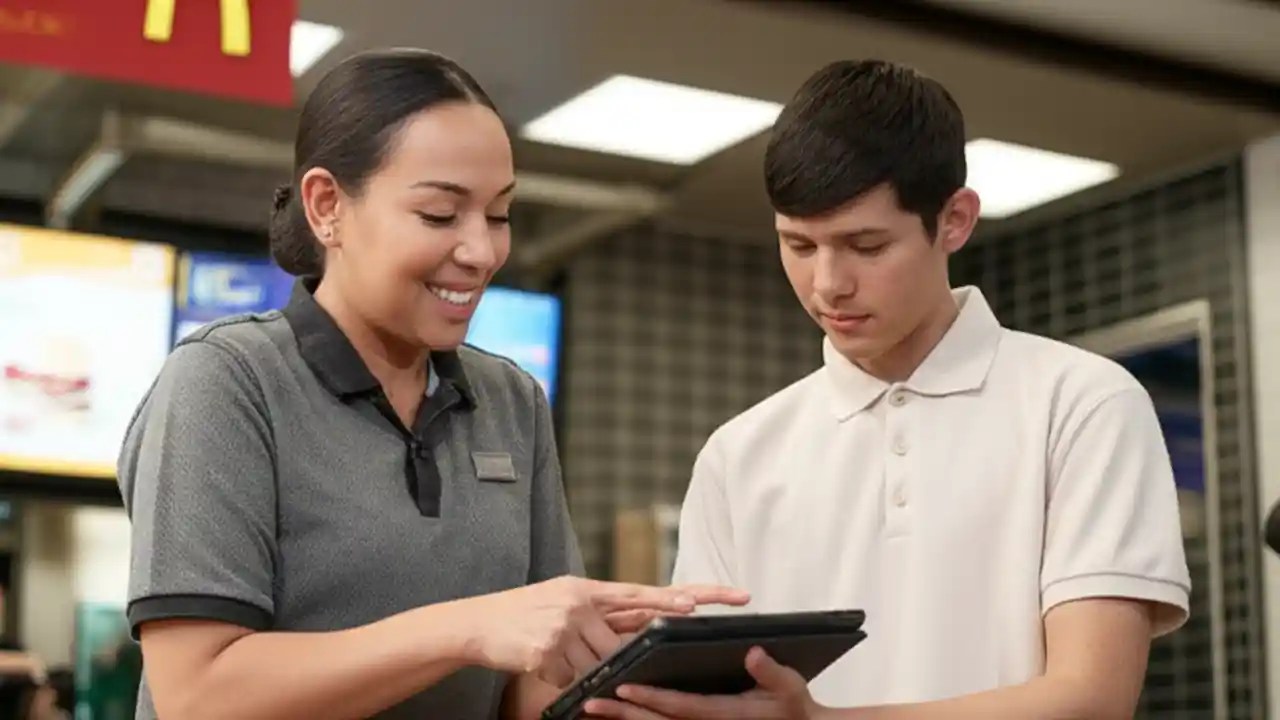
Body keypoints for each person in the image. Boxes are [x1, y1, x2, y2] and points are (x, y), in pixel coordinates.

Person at [117, 48, 745, 720]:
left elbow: (526, 686)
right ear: (327, 206)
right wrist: (466, 629)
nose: (480, 251)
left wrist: (637, 684)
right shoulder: (228, 379)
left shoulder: (512, 401)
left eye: (499, 215)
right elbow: (200, 695)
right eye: (441, 216)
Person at [586, 60, 1191, 719]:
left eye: (866, 246)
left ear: (955, 221)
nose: (828, 284)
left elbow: (1091, 699)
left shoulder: (1081, 403)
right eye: (798, 244)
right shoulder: (739, 455)